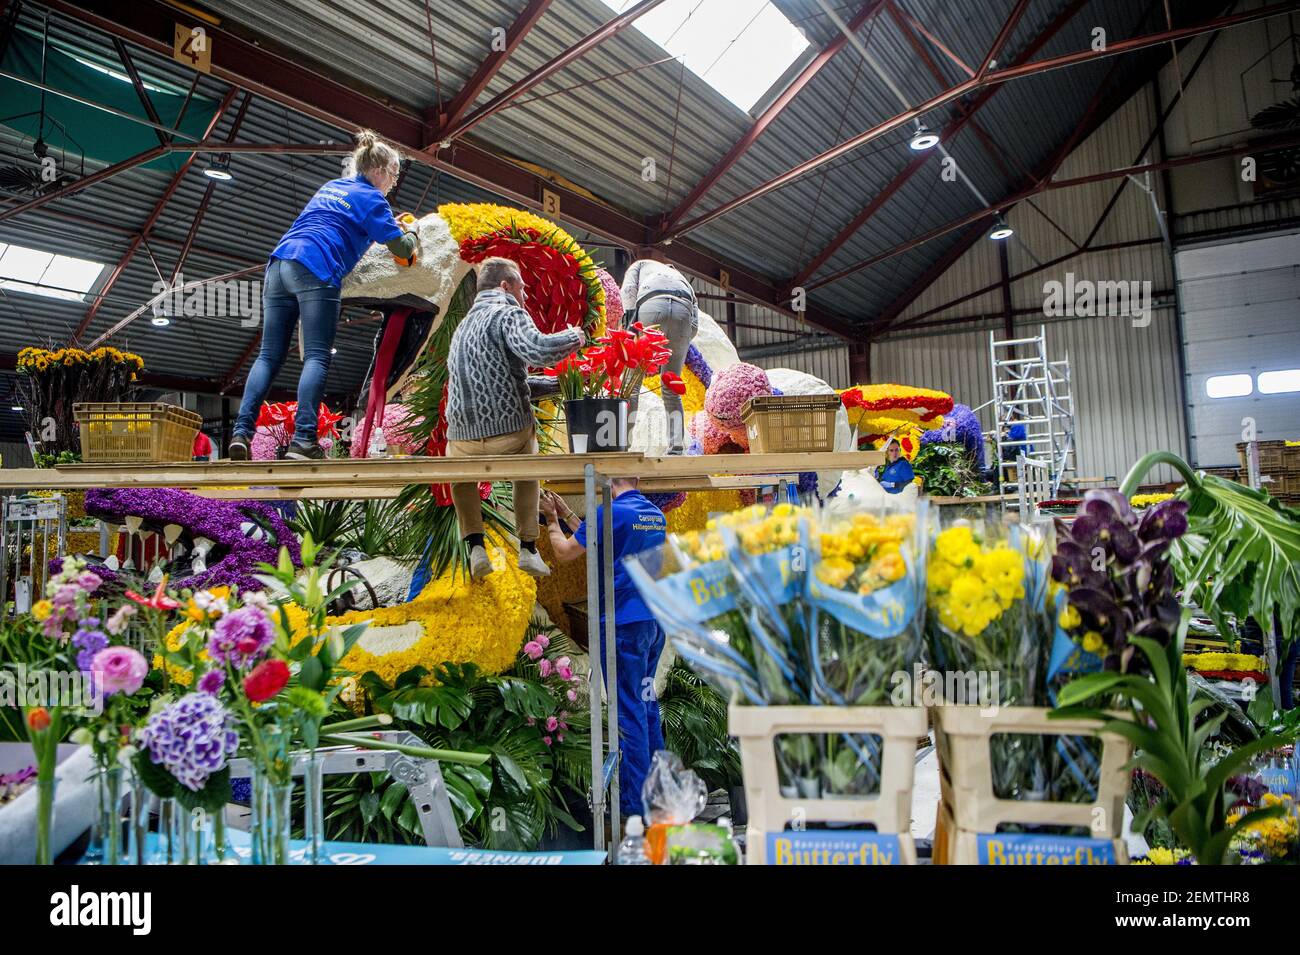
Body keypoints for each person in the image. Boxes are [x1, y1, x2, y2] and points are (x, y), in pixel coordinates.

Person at [229, 129, 418, 461]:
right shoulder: (374, 200)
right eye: (394, 174)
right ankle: (304, 440)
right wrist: (412, 232)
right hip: (316, 268)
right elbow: (401, 249)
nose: (394, 183)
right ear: (378, 171)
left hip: (279, 264)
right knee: (316, 356)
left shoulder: (332, 187)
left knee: (268, 356)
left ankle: (241, 433)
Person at [446, 257, 584, 581]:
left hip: (462, 442)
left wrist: (552, 386)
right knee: (529, 462)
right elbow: (536, 350)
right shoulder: (506, 312)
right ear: (505, 286)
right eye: (522, 287)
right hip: (508, 437)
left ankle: (475, 546)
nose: (525, 294)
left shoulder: (462, 329)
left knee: (458, 472)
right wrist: (574, 337)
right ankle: (528, 548)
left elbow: (504, 380)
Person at [540, 481, 666, 818]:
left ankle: (635, 806)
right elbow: (600, 542)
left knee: (629, 713)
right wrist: (567, 512)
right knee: (646, 703)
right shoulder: (652, 514)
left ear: (609, 483)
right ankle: (659, 793)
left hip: (623, 625)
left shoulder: (609, 512)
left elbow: (566, 553)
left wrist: (551, 521)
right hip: (653, 624)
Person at [620, 259, 698, 454]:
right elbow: (694, 322)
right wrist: (683, 338)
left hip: (651, 305)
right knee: (671, 386)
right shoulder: (682, 279)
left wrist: (630, 328)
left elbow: (628, 291)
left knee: (632, 385)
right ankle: (676, 447)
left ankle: (622, 444)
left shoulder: (640, 264)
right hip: (683, 312)